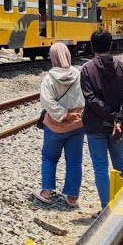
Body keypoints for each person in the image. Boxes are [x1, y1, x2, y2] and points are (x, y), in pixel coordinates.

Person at [81, 30, 123, 211]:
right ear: (111, 45)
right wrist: (119, 119)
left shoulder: (87, 69)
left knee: (100, 167)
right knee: (121, 164)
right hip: (118, 127)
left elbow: (90, 99)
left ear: (92, 45)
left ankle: (107, 207)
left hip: (95, 125)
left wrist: (109, 116)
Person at [34, 42, 85, 208]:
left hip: (55, 125)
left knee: (49, 157)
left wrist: (63, 115)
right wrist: (73, 114)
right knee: (75, 160)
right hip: (77, 124)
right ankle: (72, 197)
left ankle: (46, 192)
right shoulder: (79, 74)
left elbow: (46, 101)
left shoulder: (49, 79)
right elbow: (86, 96)